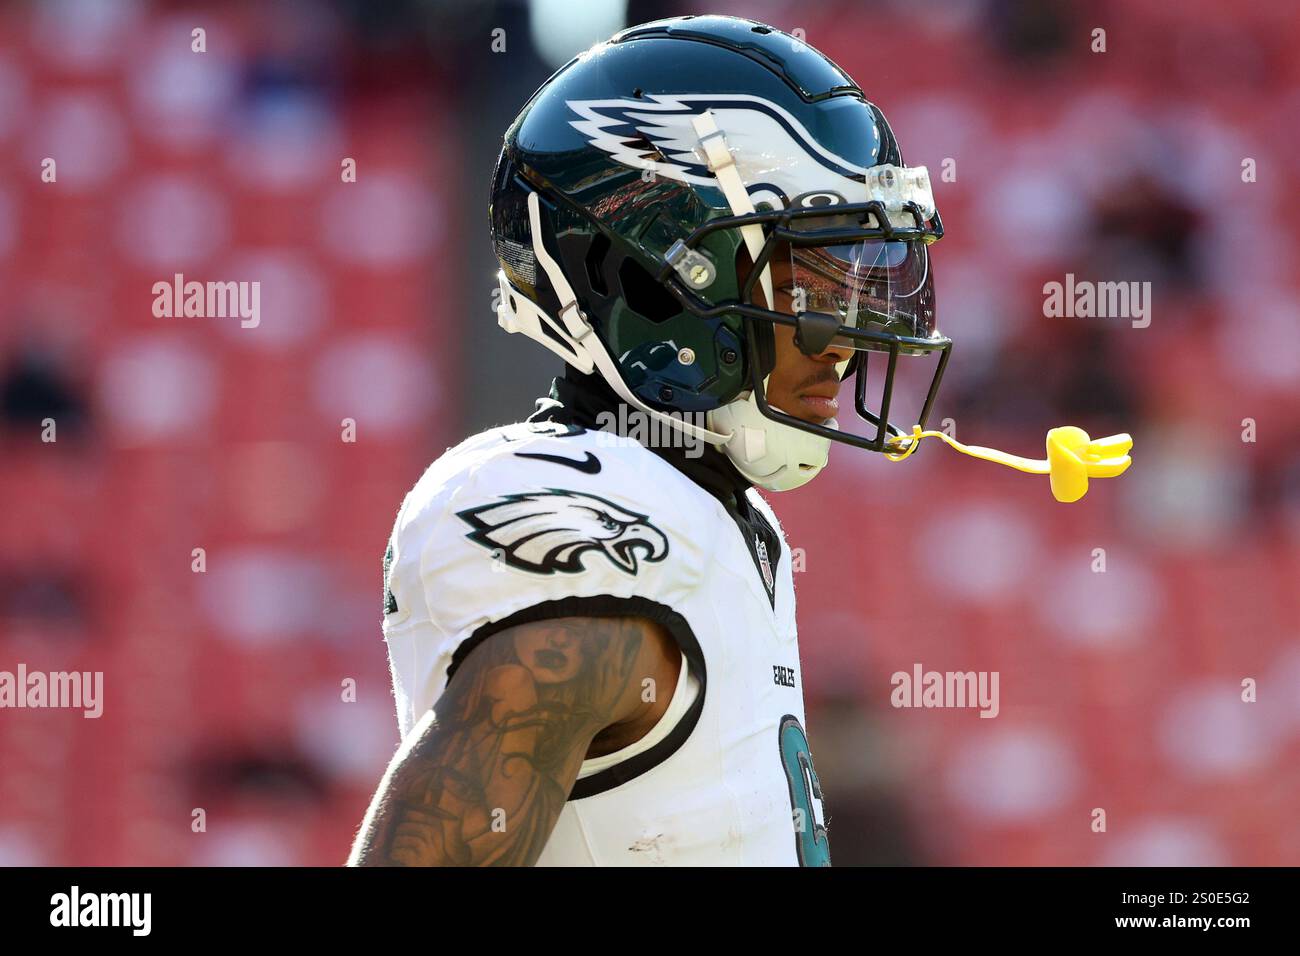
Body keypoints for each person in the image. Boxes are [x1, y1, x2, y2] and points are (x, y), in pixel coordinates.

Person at [348, 14, 949, 867]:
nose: (847, 338)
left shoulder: (723, 523)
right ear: (654, 278)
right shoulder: (603, 522)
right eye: (809, 280)